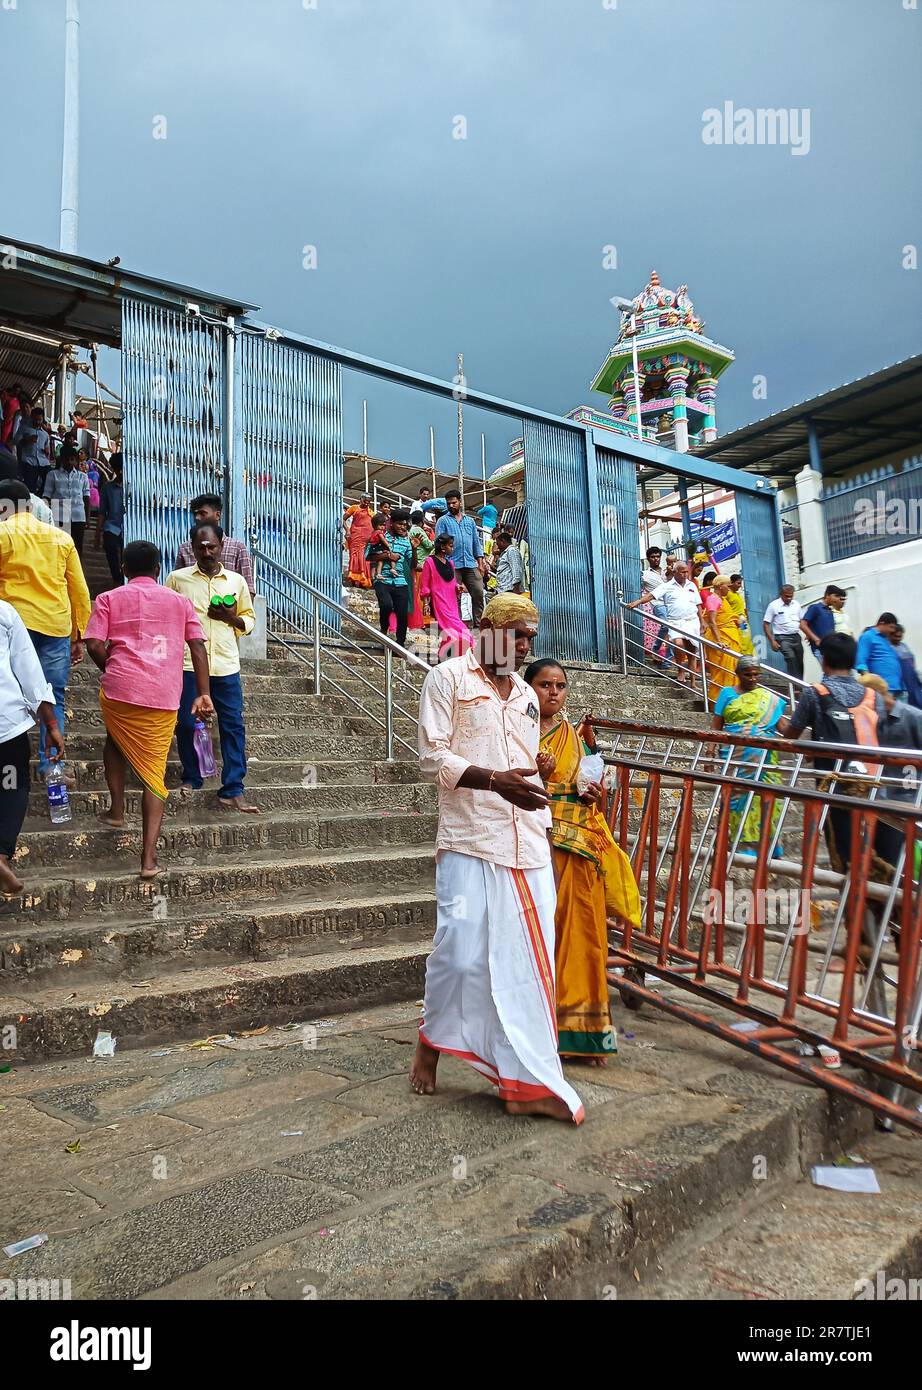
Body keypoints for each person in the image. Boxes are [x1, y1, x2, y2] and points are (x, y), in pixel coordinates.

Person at [410, 592, 584, 1123]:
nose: (527, 645)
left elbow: (525, 762)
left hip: (528, 839)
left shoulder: (529, 698)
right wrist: (493, 783)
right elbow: (431, 756)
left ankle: (530, 1080)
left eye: (532, 636)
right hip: (469, 835)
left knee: (528, 963)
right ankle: (431, 1041)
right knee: (459, 954)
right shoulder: (447, 679)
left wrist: (545, 769)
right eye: (519, 634)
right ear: (485, 627)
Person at [527, 659, 641, 1062]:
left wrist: (595, 793)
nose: (553, 692)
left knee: (584, 939)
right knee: (537, 938)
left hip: (578, 847)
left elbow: (596, 785)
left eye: (560, 685)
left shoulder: (579, 739)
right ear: (529, 689)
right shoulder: (514, 730)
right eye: (544, 684)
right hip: (532, 844)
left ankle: (585, 1033)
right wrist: (532, 772)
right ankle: (535, 1031)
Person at [85, 541, 214, 878]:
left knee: (114, 741)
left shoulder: (108, 599)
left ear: (124, 570)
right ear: (158, 570)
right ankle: (148, 861)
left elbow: (94, 643)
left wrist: (109, 668)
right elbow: (198, 647)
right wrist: (203, 693)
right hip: (162, 694)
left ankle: (115, 810)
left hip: (118, 691)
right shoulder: (180, 601)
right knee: (154, 775)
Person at [0, 479, 90, 782]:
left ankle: (9, 766)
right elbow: (78, 589)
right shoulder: (61, 539)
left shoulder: (2, 534)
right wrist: (79, 636)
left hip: (14, 627)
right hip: (55, 626)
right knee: (53, 696)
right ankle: (52, 767)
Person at [167, 522, 258, 814]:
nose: (206, 552)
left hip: (226, 664)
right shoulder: (177, 579)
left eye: (212, 547)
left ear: (221, 546)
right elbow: (166, 618)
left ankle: (233, 788)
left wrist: (231, 619)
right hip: (187, 664)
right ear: (192, 548)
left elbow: (249, 620)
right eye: (201, 547)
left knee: (233, 725)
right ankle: (192, 777)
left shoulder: (236, 581)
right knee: (185, 722)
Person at [781, 631, 885, 873]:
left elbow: (791, 736)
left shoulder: (814, 693)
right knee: (874, 851)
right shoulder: (873, 696)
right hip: (873, 783)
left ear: (824, 660)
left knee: (842, 850)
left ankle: (850, 903)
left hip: (832, 785)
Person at [0, 599, 64, 894]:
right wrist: (51, 724)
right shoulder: (4, 612)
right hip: (6, 725)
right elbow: (28, 670)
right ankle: (1, 856)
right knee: (11, 785)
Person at [711, 656, 788, 859]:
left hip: (765, 758)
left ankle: (770, 847)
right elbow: (716, 727)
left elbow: (785, 729)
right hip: (735, 755)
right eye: (748, 674)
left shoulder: (768, 698)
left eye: (757, 674)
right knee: (735, 800)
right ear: (737, 674)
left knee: (769, 798)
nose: (753, 678)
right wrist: (709, 751)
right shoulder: (727, 694)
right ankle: (737, 845)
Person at [627, 559, 701, 684]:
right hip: (675, 621)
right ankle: (681, 670)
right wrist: (637, 602)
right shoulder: (667, 586)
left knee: (692, 652)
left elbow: (698, 604)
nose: (685, 575)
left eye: (687, 572)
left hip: (692, 621)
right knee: (678, 644)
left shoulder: (691, 585)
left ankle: (693, 682)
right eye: (682, 572)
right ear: (676, 572)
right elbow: (652, 595)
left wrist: (702, 621)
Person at [175, 493, 255, 596]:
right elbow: (177, 587)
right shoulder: (185, 548)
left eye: (202, 513)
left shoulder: (237, 548)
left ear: (217, 515)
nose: (197, 518)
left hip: (227, 609)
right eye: (195, 514)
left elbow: (248, 590)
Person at [434, 489, 486, 626]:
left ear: (460, 502)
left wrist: (480, 563)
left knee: (479, 593)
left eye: (454, 502)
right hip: (452, 564)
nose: (451, 506)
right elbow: (438, 544)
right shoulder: (442, 521)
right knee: (453, 596)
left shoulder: (470, 521)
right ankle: (457, 626)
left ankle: (479, 625)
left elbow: (476, 542)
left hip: (470, 563)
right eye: (449, 503)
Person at [419, 533, 473, 659]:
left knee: (451, 631)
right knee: (459, 631)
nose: (452, 549)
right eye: (450, 546)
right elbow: (425, 585)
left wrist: (458, 587)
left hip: (452, 603)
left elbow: (452, 583)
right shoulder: (430, 561)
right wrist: (426, 603)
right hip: (440, 602)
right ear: (443, 547)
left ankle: (443, 655)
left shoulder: (450, 564)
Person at [371, 512, 413, 647]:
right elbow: (369, 556)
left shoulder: (407, 542)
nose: (403, 527)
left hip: (401, 581)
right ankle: (384, 629)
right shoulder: (380, 536)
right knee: (386, 605)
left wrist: (415, 548)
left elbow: (412, 564)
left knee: (402, 614)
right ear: (392, 523)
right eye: (400, 524)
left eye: (405, 525)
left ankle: (400, 644)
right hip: (382, 580)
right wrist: (388, 556)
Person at [44, 443, 91, 557]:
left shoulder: (83, 477)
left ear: (76, 461)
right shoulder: (52, 475)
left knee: (77, 548)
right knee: (59, 547)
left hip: (78, 515)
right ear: (62, 460)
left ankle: (75, 572)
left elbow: (86, 497)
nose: (70, 462)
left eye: (72, 459)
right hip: (59, 514)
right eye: (67, 459)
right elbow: (46, 495)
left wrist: (88, 518)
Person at [702, 573, 742, 703]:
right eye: (728, 586)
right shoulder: (713, 599)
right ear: (720, 586)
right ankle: (718, 701)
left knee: (732, 669)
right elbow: (712, 622)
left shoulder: (724, 600)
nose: (729, 589)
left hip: (729, 637)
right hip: (720, 639)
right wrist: (719, 641)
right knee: (721, 672)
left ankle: (732, 700)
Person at [855, 613, 903, 697]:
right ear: (881, 623)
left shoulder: (887, 639)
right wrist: (870, 681)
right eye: (891, 627)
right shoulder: (868, 636)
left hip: (897, 687)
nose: (892, 631)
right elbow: (861, 661)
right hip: (882, 689)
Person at [763, 584, 804, 679]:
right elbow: (766, 624)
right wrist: (772, 641)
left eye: (791, 596)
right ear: (781, 594)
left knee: (800, 662)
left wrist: (807, 634)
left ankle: (801, 685)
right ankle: (795, 687)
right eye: (787, 596)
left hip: (796, 637)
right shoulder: (773, 605)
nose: (789, 598)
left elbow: (802, 621)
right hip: (782, 638)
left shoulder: (796, 604)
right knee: (791, 659)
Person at [12, 404, 52, 495]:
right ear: (31, 418)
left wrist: (47, 451)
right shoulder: (24, 429)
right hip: (29, 461)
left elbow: (47, 448)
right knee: (30, 486)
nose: (38, 422)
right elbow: (15, 441)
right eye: (36, 419)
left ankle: (40, 496)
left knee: (50, 477)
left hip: (43, 462)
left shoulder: (45, 434)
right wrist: (26, 440)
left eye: (40, 420)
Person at [97, 458, 125, 587]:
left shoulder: (133, 488)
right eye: (118, 469)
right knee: (111, 549)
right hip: (112, 526)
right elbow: (102, 511)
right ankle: (116, 578)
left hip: (129, 527)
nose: (120, 472)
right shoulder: (107, 488)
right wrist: (98, 533)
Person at [800, 585, 847, 660]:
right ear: (827, 595)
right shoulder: (815, 608)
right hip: (820, 649)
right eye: (836, 596)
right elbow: (803, 625)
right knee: (831, 671)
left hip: (831, 648)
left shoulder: (830, 611)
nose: (837, 599)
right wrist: (816, 639)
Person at [639, 546, 668, 665]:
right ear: (648, 559)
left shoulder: (668, 572)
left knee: (673, 632)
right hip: (657, 603)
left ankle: (665, 658)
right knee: (666, 626)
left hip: (671, 604)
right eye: (653, 557)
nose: (656, 559)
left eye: (657, 556)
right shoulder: (645, 574)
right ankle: (656, 649)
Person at [407, 510, 435, 630]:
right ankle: (422, 618)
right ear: (422, 520)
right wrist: (436, 543)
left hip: (416, 563)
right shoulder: (418, 530)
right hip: (421, 564)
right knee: (421, 592)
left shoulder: (410, 530)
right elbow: (428, 545)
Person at [343, 494, 374, 588]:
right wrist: (347, 530)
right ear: (360, 499)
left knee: (364, 557)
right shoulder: (354, 508)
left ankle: (362, 580)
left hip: (367, 537)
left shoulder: (371, 512)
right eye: (365, 500)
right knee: (354, 556)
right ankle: (354, 578)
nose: (366, 503)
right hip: (355, 534)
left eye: (368, 501)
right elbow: (343, 519)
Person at [891, 625, 922, 710]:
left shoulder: (904, 646)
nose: (898, 638)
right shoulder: (889, 648)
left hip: (912, 679)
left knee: (917, 700)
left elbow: (912, 660)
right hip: (901, 679)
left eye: (900, 636)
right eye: (895, 636)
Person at [726, 574, 755, 656]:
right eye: (738, 583)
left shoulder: (736, 594)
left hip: (743, 621)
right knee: (743, 640)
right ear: (731, 583)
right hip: (737, 621)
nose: (740, 586)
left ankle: (748, 656)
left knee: (747, 639)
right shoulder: (727, 594)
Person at [491, 529, 525, 596]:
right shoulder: (505, 553)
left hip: (510, 591)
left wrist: (516, 590)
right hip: (503, 591)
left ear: (503, 542)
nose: (498, 547)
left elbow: (517, 570)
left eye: (498, 544)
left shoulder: (512, 551)